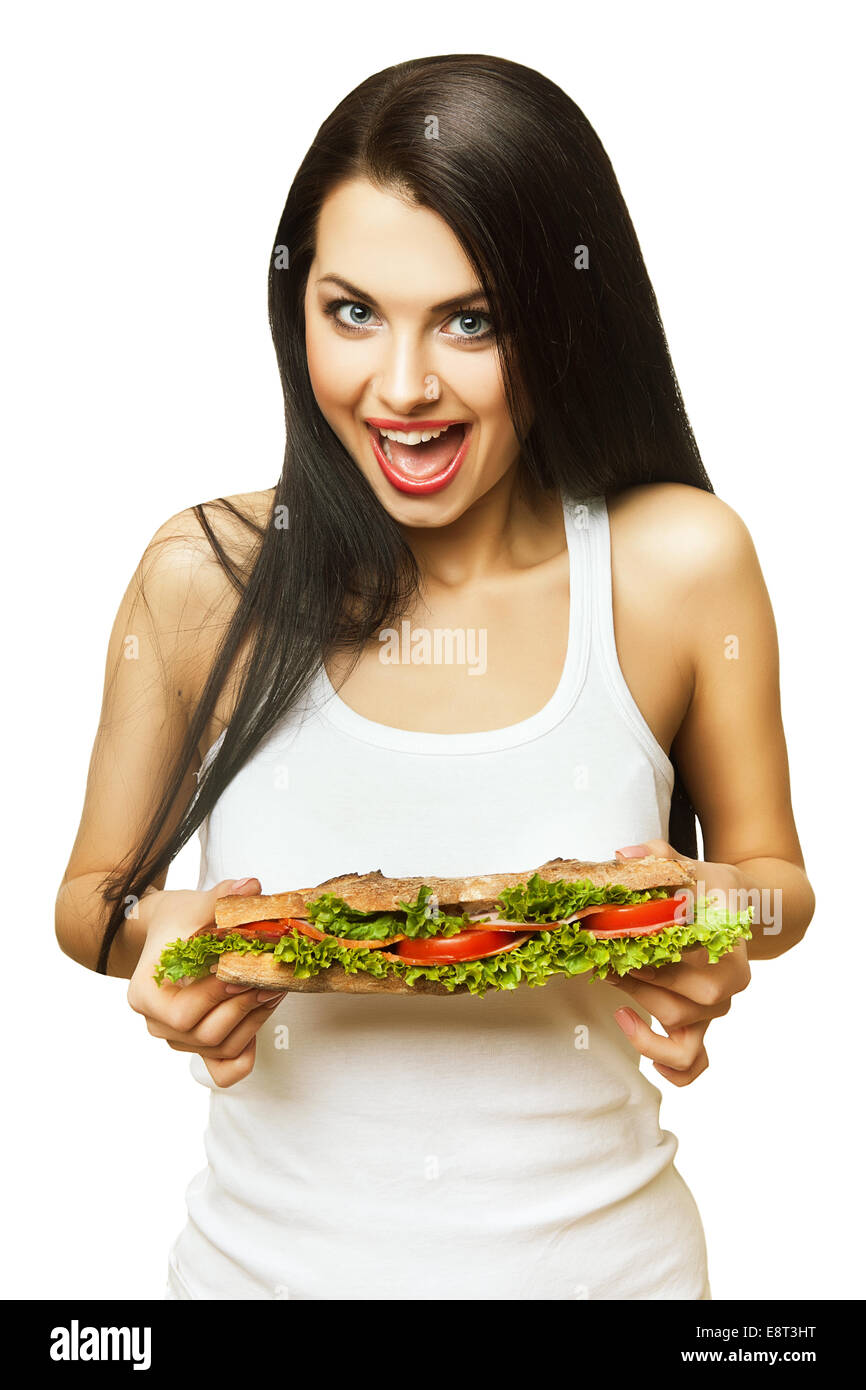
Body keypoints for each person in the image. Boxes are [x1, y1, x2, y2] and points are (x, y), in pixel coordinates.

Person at [56, 54, 815, 1300]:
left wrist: (704, 912)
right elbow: (88, 895)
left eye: (470, 319)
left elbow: (777, 891)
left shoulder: (679, 563)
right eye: (352, 311)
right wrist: (164, 938)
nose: (402, 389)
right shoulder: (201, 576)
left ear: (563, 318)